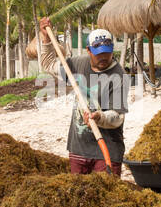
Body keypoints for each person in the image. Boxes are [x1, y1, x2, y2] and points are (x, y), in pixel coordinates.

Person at [38, 18, 129, 175]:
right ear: (88, 50)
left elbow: (118, 117)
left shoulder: (119, 76)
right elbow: (49, 64)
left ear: (112, 50)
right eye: (98, 54)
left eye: (107, 53)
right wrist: (46, 39)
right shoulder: (78, 64)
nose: (103, 58)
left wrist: (99, 117)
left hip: (107, 150)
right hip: (79, 148)